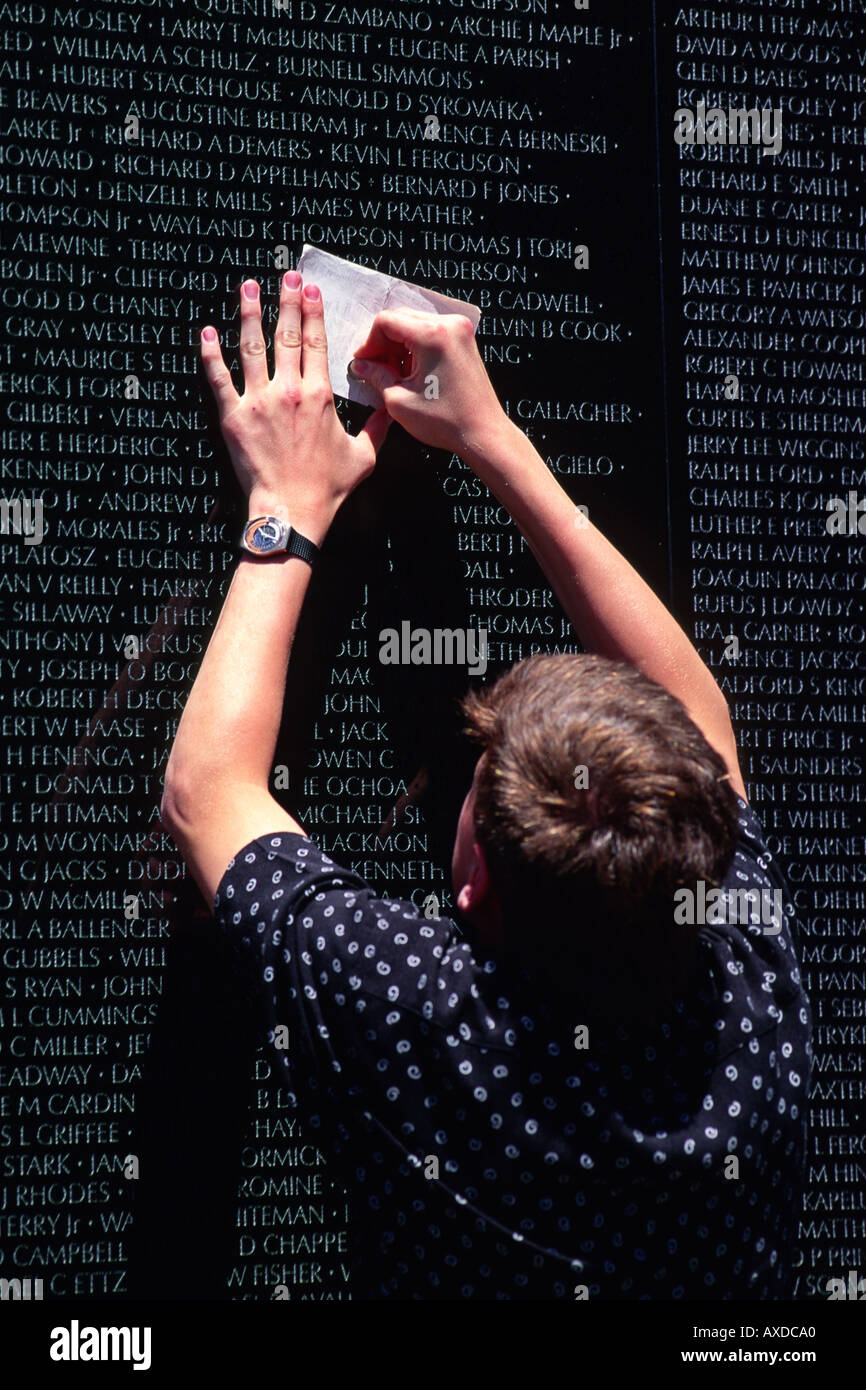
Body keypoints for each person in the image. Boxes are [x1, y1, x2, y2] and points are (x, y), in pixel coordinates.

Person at [160, 269, 812, 1300]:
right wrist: (494, 440)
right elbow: (700, 721)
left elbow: (207, 788)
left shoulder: (419, 1017)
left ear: (472, 886)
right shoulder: (746, 1002)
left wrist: (283, 511)